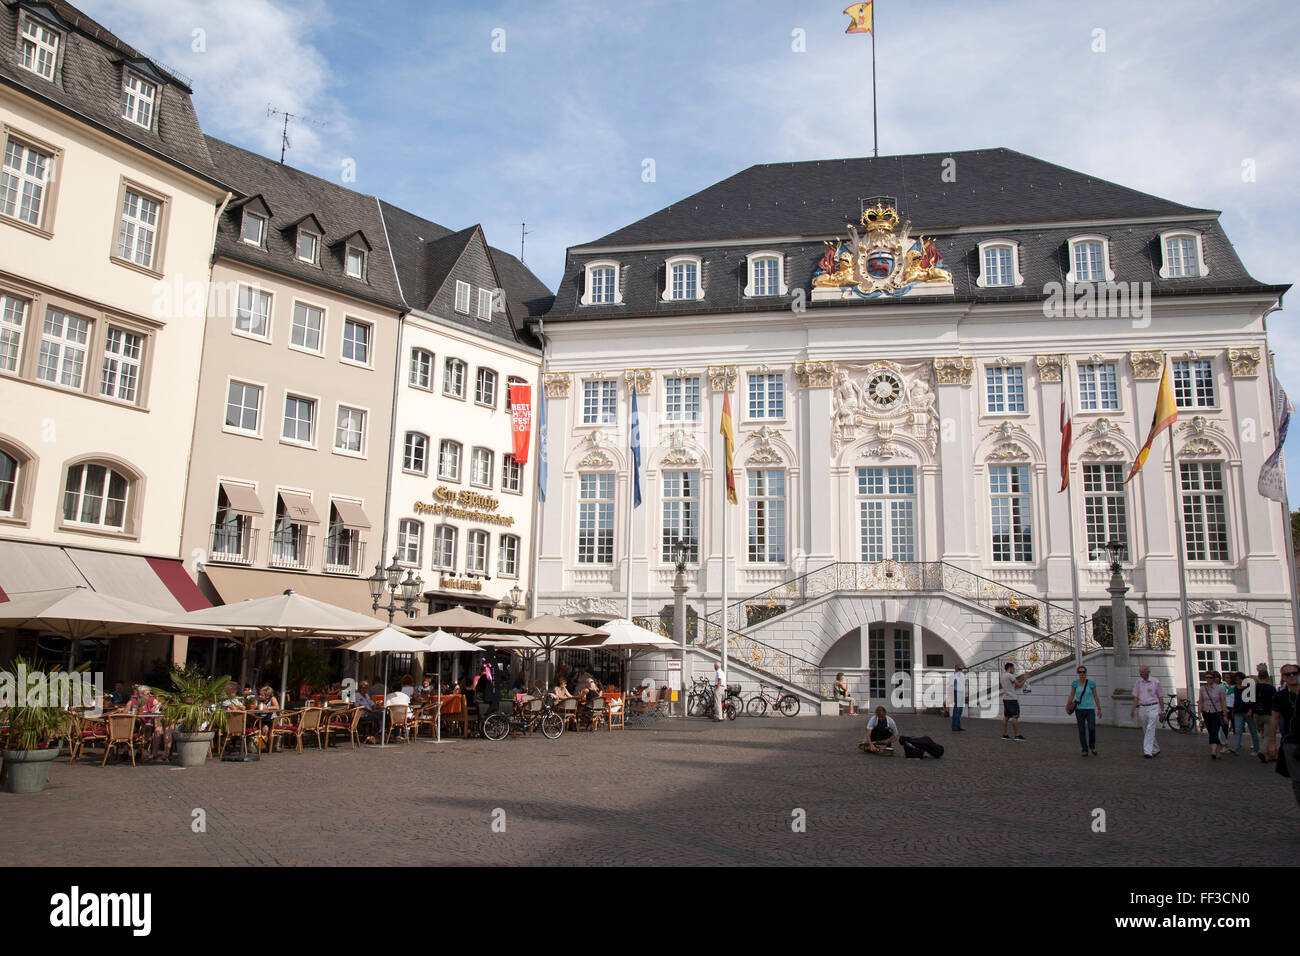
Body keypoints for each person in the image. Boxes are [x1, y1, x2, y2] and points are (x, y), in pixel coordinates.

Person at [1067, 665, 1101, 756]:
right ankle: (1084, 749)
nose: (1082, 674)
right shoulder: (1075, 684)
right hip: (1079, 709)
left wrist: (1099, 708)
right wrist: (1068, 705)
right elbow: (1071, 695)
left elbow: (1095, 696)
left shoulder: (1091, 683)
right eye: (1080, 672)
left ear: (1086, 673)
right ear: (1078, 674)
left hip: (1090, 709)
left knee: (1091, 728)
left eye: (1083, 672)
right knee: (1081, 730)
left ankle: (1092, 745)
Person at [1130, 665, 1162, 758]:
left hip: (1153, 707)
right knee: (1146, 729)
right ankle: (1156, 749)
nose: (1141, 674)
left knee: (1150, 729)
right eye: (1140, 672)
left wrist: (1162, 710)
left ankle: (1147, 751)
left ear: (1148, 672)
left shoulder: (1155, 682)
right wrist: (1133, 709)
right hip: (1142, 707)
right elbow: (1136, 697)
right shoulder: (1138, 683)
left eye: (1143, 672)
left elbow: (1160, 696)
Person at [1198, 670, 1228, 759]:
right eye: (1206, 677)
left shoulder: (1220, 688)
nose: (1208, 679)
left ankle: (1213, 751)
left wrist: (1225, 715)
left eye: (1210, 678)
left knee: (1214, 730)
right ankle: (1218, 751)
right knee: (1211, 731)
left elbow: (1223, 702)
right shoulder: (1202, 688)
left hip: (1217, 712)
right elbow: (1201, 701)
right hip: (1206, 711)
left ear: (1214, 678)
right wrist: (1199, 713)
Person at [1230, 671, 1259, 756]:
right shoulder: (1235, 688)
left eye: (1239, 679)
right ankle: (1236, 748)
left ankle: (1256, 749)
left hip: (1247, 711)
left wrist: (1251, 709)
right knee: (1238, 730)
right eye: (1236, 680)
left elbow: (1253, 700)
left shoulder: (1249, 687)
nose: (1238, 681)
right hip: (1238, 711)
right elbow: (1235, 700)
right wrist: (1233, 710)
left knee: (1253, 731)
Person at [1255, 665, 1276, 763]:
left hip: (1257, 714)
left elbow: (1250, 701)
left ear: (1258, 677)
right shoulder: (1271, 688)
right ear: (1267, 678)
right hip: (1268, 713)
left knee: (1263, 734)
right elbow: (1275, 701)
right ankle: (1262, 751)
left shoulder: (1253, 688)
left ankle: (1268, 754)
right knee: (1268, 735)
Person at [1000, 662, 1027, 740]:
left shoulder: (1003, 676)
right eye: (1013, 668)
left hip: (1006, 698)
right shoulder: (1010, 676)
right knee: (1015, 717)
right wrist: (1025, 679)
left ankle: (1005, 734)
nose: (1014, 670)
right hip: (1012, 699)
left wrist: (1020, 679)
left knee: (1006, 717)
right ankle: (1017, 735)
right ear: (1010, 668)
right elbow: (1019, 685)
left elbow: (1012, 686)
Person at [949, 666, 965, 732]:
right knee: (957, 710)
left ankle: (958, 726)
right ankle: (955, 727)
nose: (960, 670)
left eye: (961, 669)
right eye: (959, 669)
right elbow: (951, 685)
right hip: (956, 692)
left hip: (961, 692)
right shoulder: (953, 675)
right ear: (955, 669)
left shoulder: (961, 675)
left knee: (960, 710)